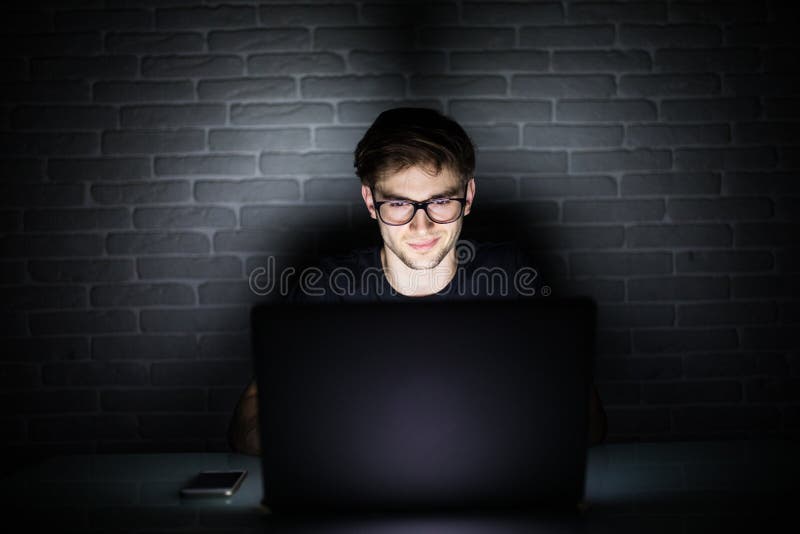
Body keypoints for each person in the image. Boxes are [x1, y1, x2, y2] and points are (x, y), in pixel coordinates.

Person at [228, 108, 608, 455]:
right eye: (398, 204)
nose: (421, 226)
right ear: (369, 202)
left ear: (469, 196)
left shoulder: (511, 277)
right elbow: (251, 412)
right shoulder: (327, 288)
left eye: (441, 202)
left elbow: (588, 420)